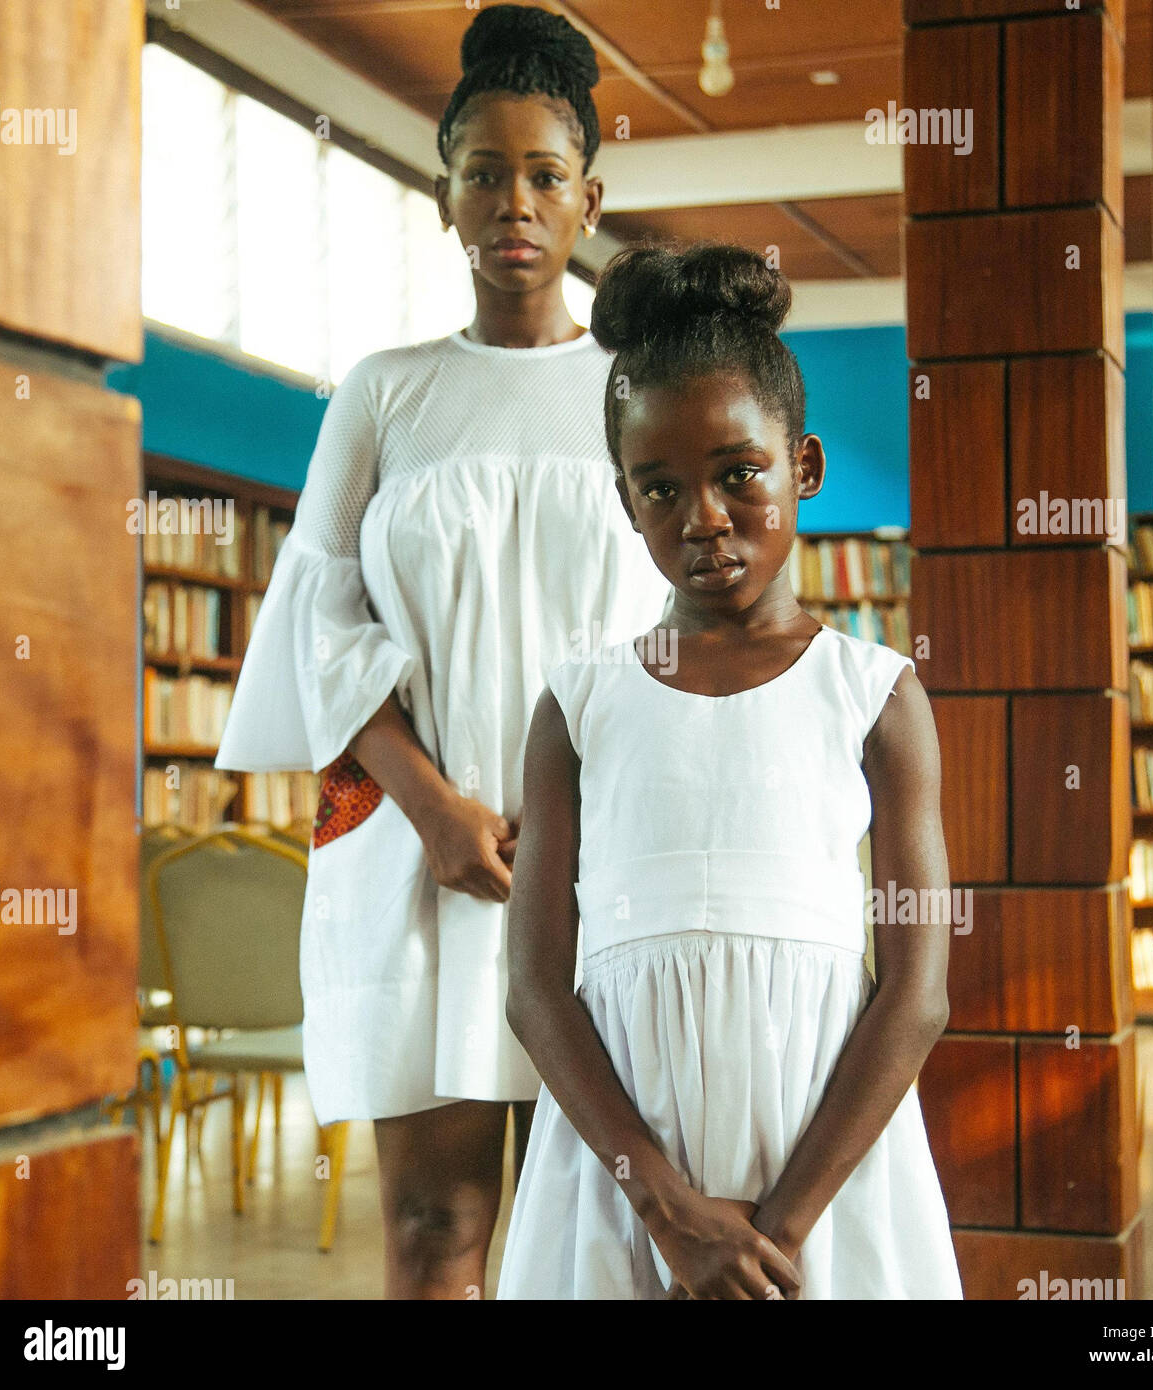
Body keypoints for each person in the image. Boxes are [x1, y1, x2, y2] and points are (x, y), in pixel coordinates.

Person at [215, 5, 670, 1298]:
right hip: (425, 858)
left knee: (598, 1238)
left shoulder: (639, 390)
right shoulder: (384, 389)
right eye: (483, 172)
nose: (512, 200)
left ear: (589, 197)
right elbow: (322, 618)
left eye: (542, 174)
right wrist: (435, 810)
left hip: (601, 862)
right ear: (444, 197)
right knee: (432, 1235)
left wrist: (589, 824)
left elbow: (683, 620)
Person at [496, 243, 962, 1300]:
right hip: (625, 1184)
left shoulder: (875, 695)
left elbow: (917, 994)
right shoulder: (578, 706)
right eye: (660, 487)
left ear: (802, 467)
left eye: (736, 474)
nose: (701, 515)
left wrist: (772, 1234)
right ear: (625, 501)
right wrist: (667, 1209)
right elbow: (533, 989)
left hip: (826, 1176)